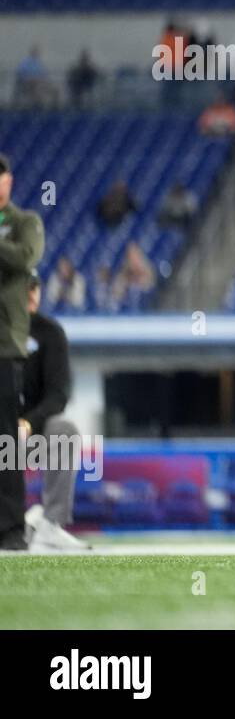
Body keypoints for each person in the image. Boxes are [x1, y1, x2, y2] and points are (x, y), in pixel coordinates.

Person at [19, 273, 90, 551]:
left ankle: (50, 523)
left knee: (64, 431)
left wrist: (27, 422)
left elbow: (59, 394)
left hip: (31, 434)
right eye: (25, 288)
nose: (31, 294)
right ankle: (21, 524)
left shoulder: (50, 333)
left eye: (35, 287)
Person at [0, 153, 46, 551]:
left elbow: (24, 257)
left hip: (4, 347)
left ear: (9, 182)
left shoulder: (25, 222)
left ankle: (11, 528)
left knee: (6, 440)